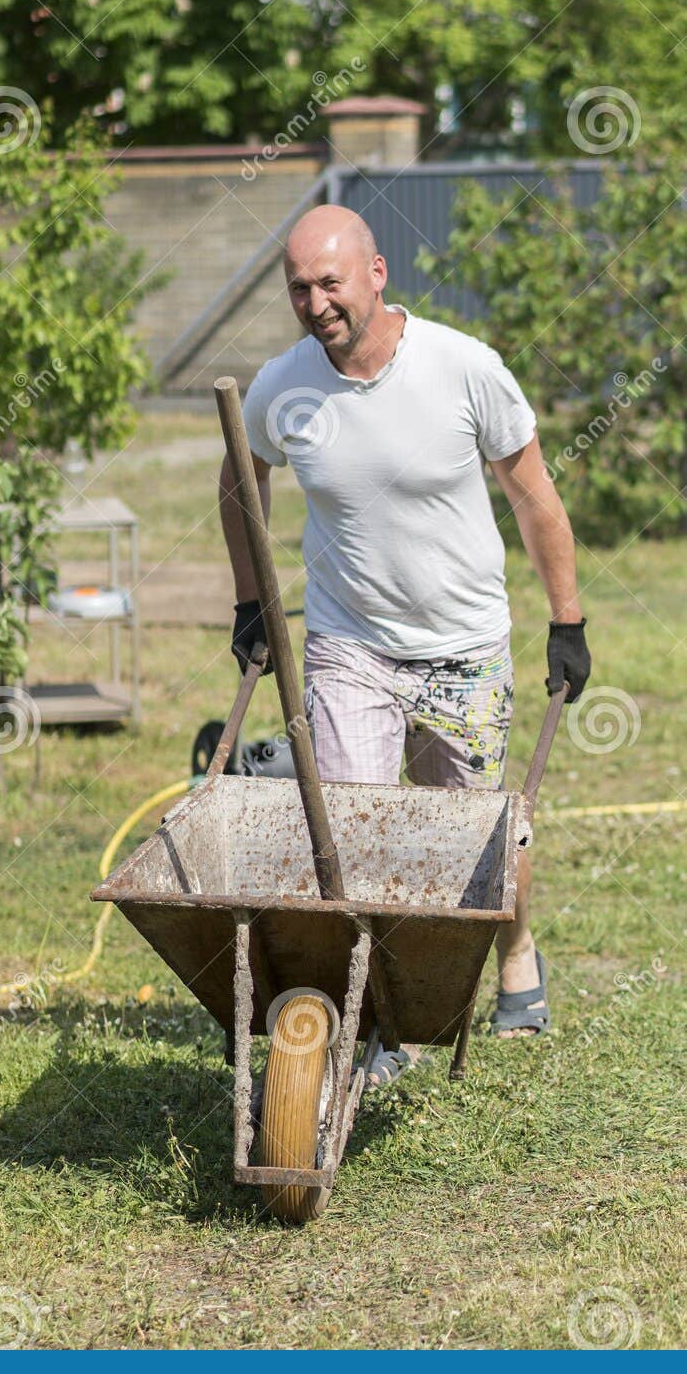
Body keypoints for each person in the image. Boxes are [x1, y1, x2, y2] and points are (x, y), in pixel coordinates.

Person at [218, 204, 590, 1066]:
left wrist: (566, 619)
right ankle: (384, 1015)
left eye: (330, 284)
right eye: (299, 289)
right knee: (352, 834)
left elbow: (533, 496)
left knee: (475, 842)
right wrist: (251, 602)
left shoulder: (465, 370)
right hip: (352, 646)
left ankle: (516, 948)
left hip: (464, 646)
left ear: (377, 274)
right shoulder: (284, 386)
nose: (315, 305)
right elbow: (242, 477)